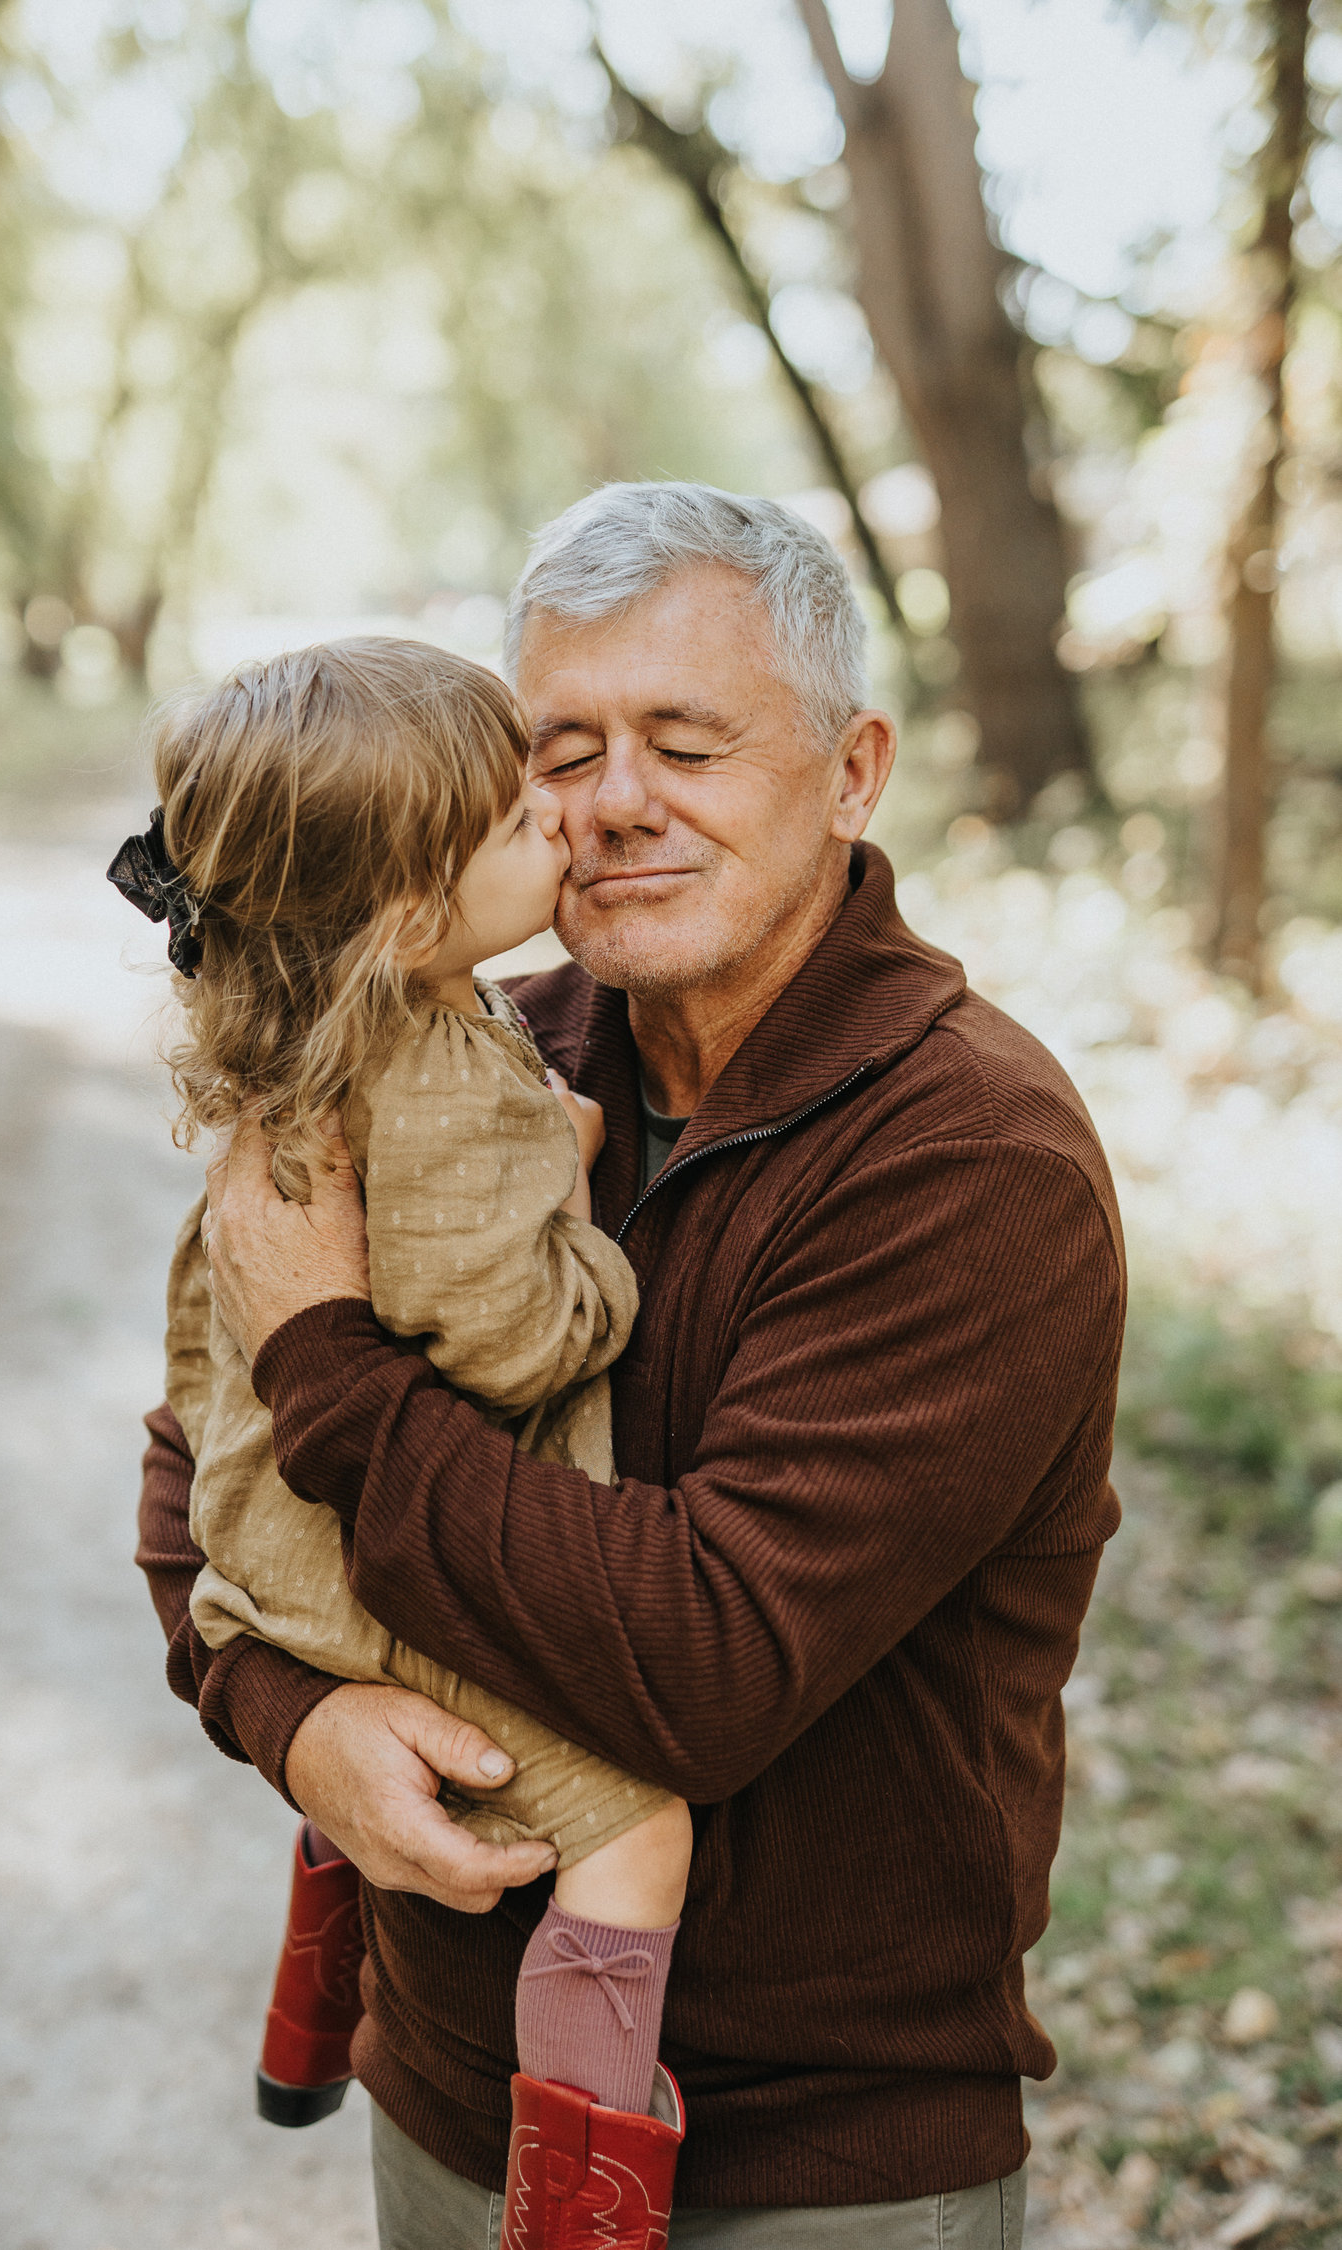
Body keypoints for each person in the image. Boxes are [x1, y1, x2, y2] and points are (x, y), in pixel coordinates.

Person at [138, 482, 1126, 2249]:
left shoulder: (975, 1160)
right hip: (441, 2086)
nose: (611, 805)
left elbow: (705, 1666)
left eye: (685, 741)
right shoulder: (466, 1044)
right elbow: (195, 1462)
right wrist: (295, 1727)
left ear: (851, 768)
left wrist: (333, 1359)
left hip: (821, 2166)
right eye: (563, 748)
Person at [113, 639, 693, 2173]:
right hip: (361, 1564)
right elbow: (507, 1344)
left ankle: (318, 1997)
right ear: (407, 913)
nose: (563, 821)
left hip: (275, 1538)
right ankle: (577, 2188)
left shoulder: (339, 1033)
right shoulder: (439, 1073)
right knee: (639, 1834)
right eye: (517, 818)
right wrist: (589, 1226)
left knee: (386, 1756)